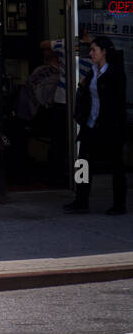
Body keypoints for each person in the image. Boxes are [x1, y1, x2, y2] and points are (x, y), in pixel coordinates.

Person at [65, 36, 128, 215]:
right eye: (90, 50)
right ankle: (81, 200)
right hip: (91, 124)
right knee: (83, 162)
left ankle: (119, 204)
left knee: (116, 165)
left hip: (109, 126)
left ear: (104, 51)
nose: (91, 53)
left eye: (94, 50)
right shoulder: (93, 71)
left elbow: (116, 102)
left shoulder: (115, 73)